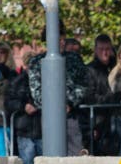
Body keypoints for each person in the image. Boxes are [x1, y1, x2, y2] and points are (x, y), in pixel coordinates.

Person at [27, 21, 91, 156]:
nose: (61, 43)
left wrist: (69, 103)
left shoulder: (74, 59)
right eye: (58, 40)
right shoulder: (36, 62)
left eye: (63, 39)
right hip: (48, 117)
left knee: (76, 153)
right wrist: (54, 106)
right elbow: (36, 91)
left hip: (72, 115)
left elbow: (84, 84)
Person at [5, 52, 42, 164]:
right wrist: (23, 106)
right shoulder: (17, 82)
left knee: (42, 163)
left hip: (42, 129)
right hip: (24, 129)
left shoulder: (45, 81)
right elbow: (8, 102)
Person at [85, 34, 116, 154]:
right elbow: (89, 97)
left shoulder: (116, 67)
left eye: (107, 49)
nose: (105, 52)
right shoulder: (90, 70)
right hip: (98, 121)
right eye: (101, 49)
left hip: (115, 120)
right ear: (95, 50)